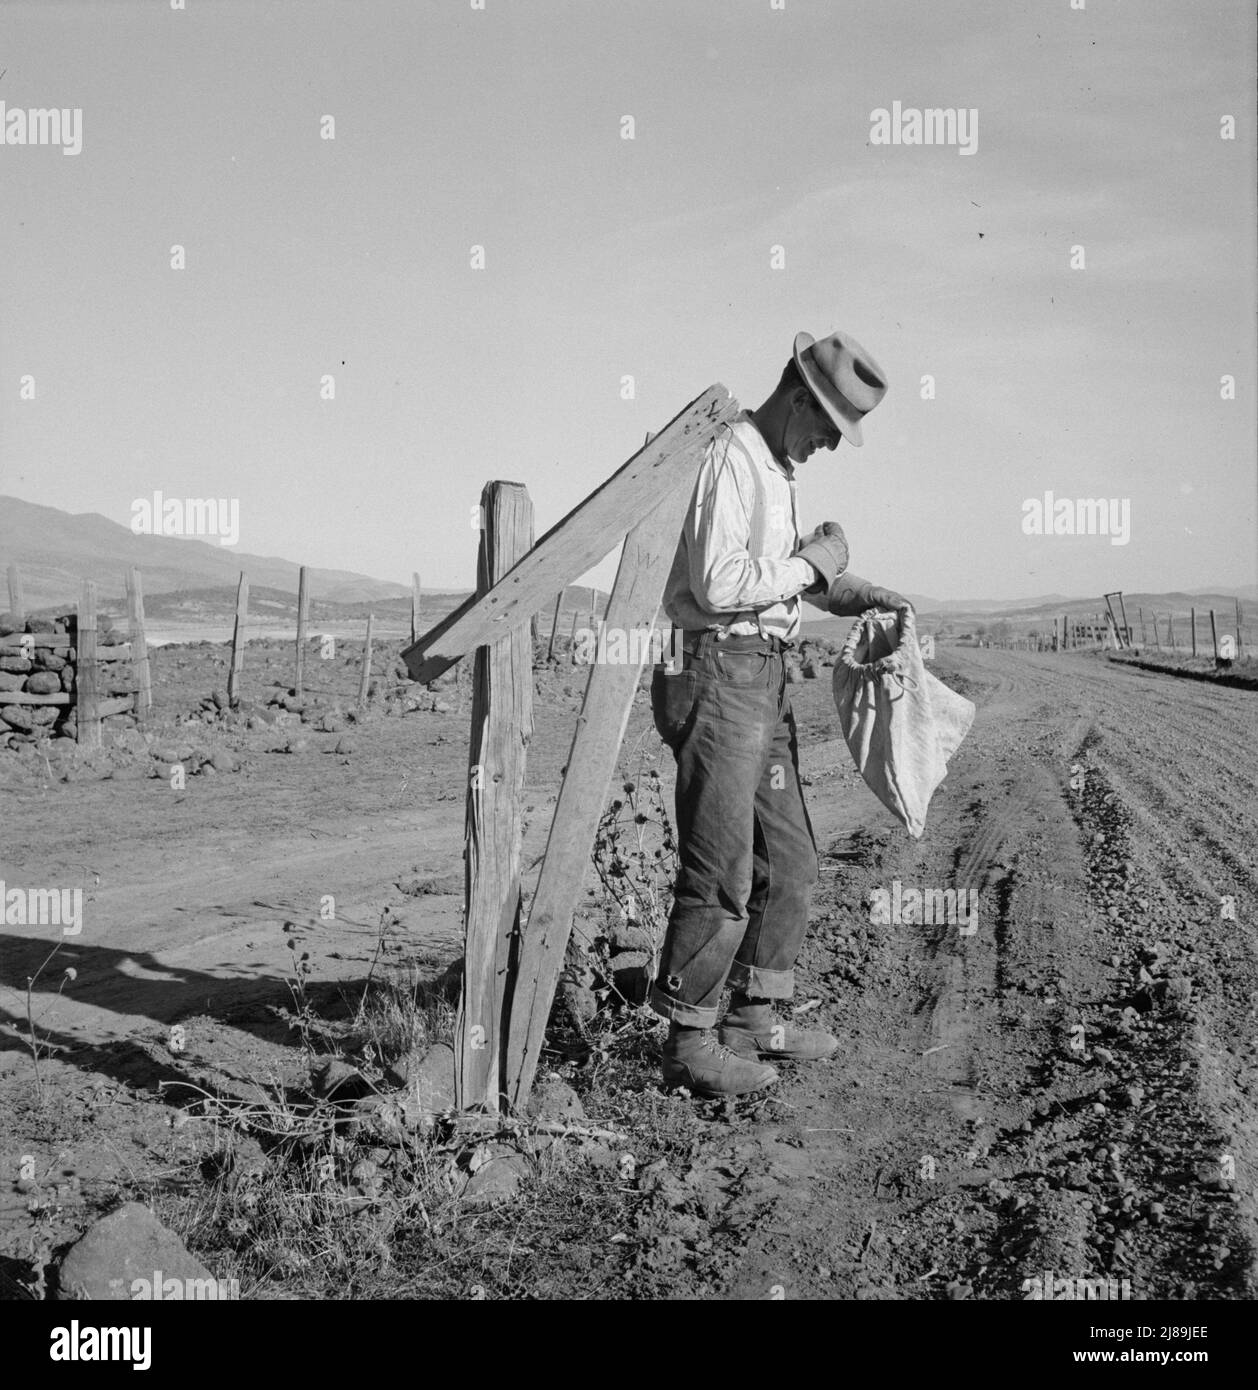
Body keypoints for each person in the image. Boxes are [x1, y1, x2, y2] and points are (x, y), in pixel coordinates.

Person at [650, 329, 911, 1098]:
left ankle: (758, 1016)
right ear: (800, 398)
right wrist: (812, 563)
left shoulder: (775, 467)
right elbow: (723, 581)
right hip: (715, 668)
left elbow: (787, 579)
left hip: (759, 675)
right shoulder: (730, 455)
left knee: (789, 854)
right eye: (828, 428)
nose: (828, 444)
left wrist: (862, 590)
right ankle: (689, 1041)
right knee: (721, 863)